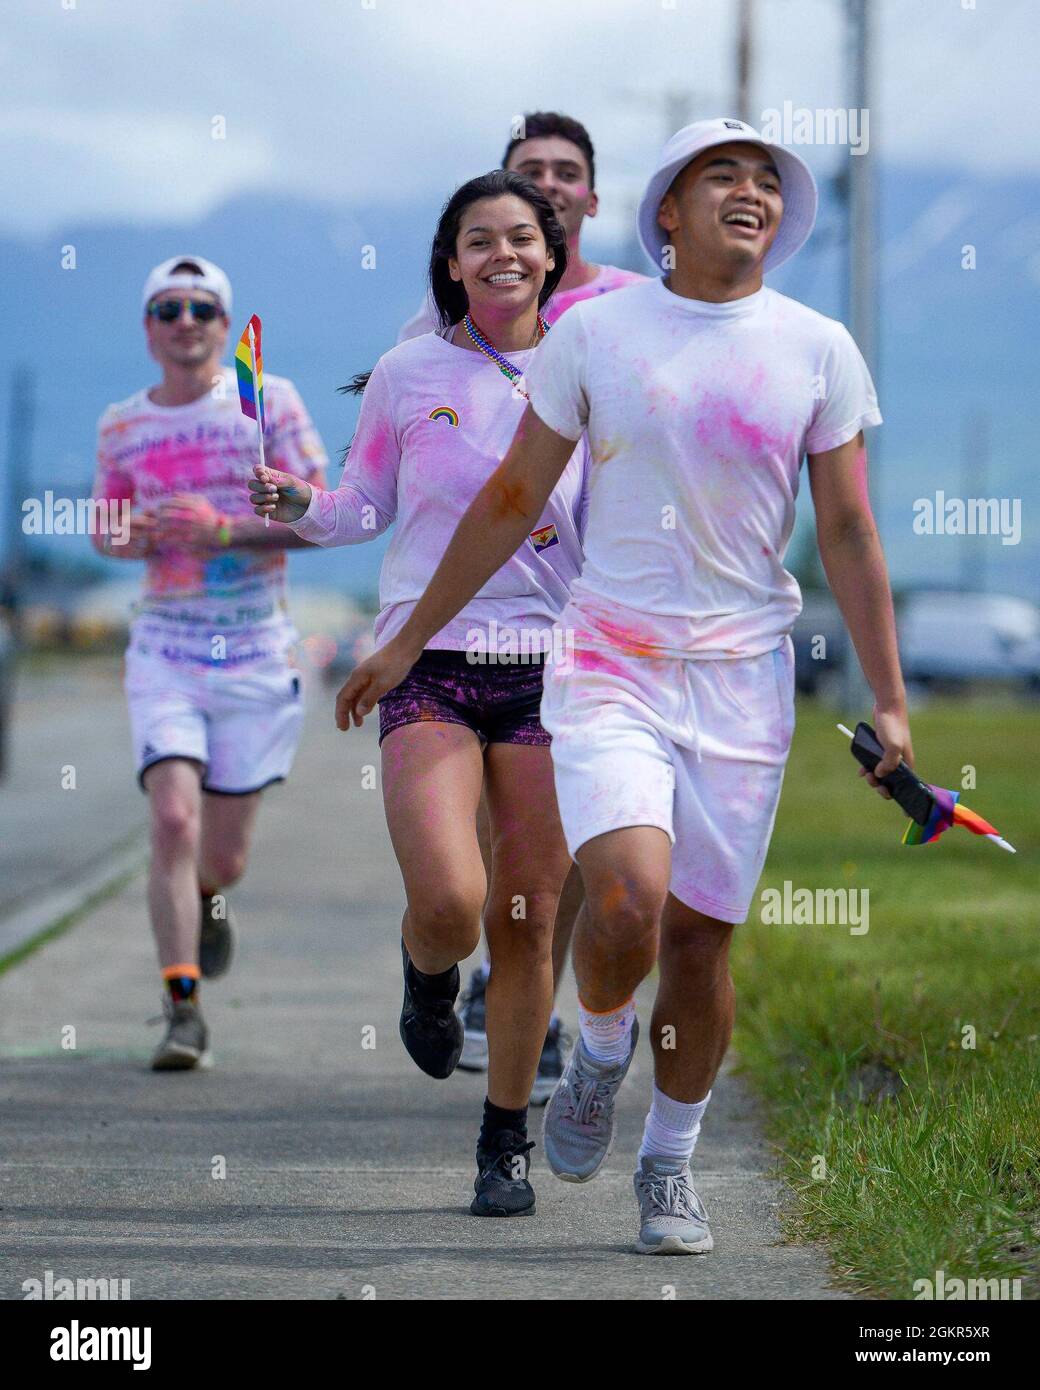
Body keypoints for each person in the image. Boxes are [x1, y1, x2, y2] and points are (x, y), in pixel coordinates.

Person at [332, 118, 913, 1255]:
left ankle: (669, 1166)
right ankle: (600, 1044)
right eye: (720, 177)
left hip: (742, 674)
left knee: (698, 943)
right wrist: (407, 639)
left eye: (764, 182)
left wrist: (887, 698)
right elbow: (508, 501)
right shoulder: (594, 335)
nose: (748, 193)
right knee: (627, 901)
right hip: (605, 658)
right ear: (664, 211)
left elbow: (845, 528)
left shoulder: (817, 346)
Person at [250, 172, 588, 1218]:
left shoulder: (592, 372)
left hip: (551, 670)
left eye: (522, 237)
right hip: (427, 662)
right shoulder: (407, 371)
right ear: (449, 263)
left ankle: (503, 1143)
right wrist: (300, 505)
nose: (503, 253)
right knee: (451, 900)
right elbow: (363, 506)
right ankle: (425, 967)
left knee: (526, 920)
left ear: (551, 255)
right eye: (478, 238)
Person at [400, 112, 646, 1100]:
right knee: (489, 869)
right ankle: (484, 974)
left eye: (564, 174)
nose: (544, 185)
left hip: (599, 621)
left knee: (561, 854)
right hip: (472, 633)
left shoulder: (632, 307)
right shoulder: (440, 331)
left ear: (582, 202)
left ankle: (524, 1001)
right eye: (525, 173)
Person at [92, 255, 328, 1071]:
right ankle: (181, 1007)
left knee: (220, 857)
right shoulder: (122, 424)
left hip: (257, 654)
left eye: (201, 308)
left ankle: (209, 898)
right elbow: (106, 532)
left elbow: (320, 516)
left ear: (225, 327)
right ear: (149, 328)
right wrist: (144, 531)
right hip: (166, 648)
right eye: (167, 308)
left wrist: (226, 528)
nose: (184, 320)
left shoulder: (270, 403)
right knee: (172, 820)